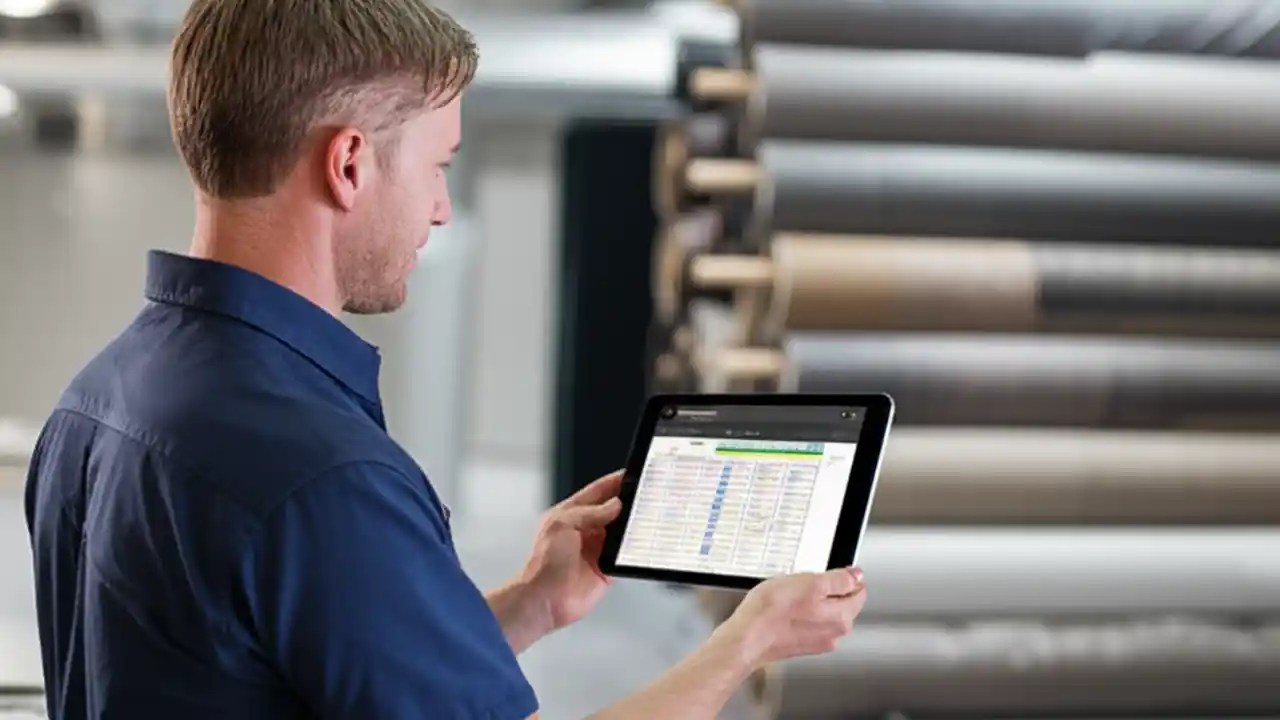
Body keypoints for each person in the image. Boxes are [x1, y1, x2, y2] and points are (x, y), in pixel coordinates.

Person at [23, 1, 869, 718]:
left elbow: (301, 667)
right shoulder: (322, 476)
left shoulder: (96, 401)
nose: (436, 209)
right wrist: (747, 641)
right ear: (349, 164)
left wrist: (527, 607)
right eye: (438, 168)